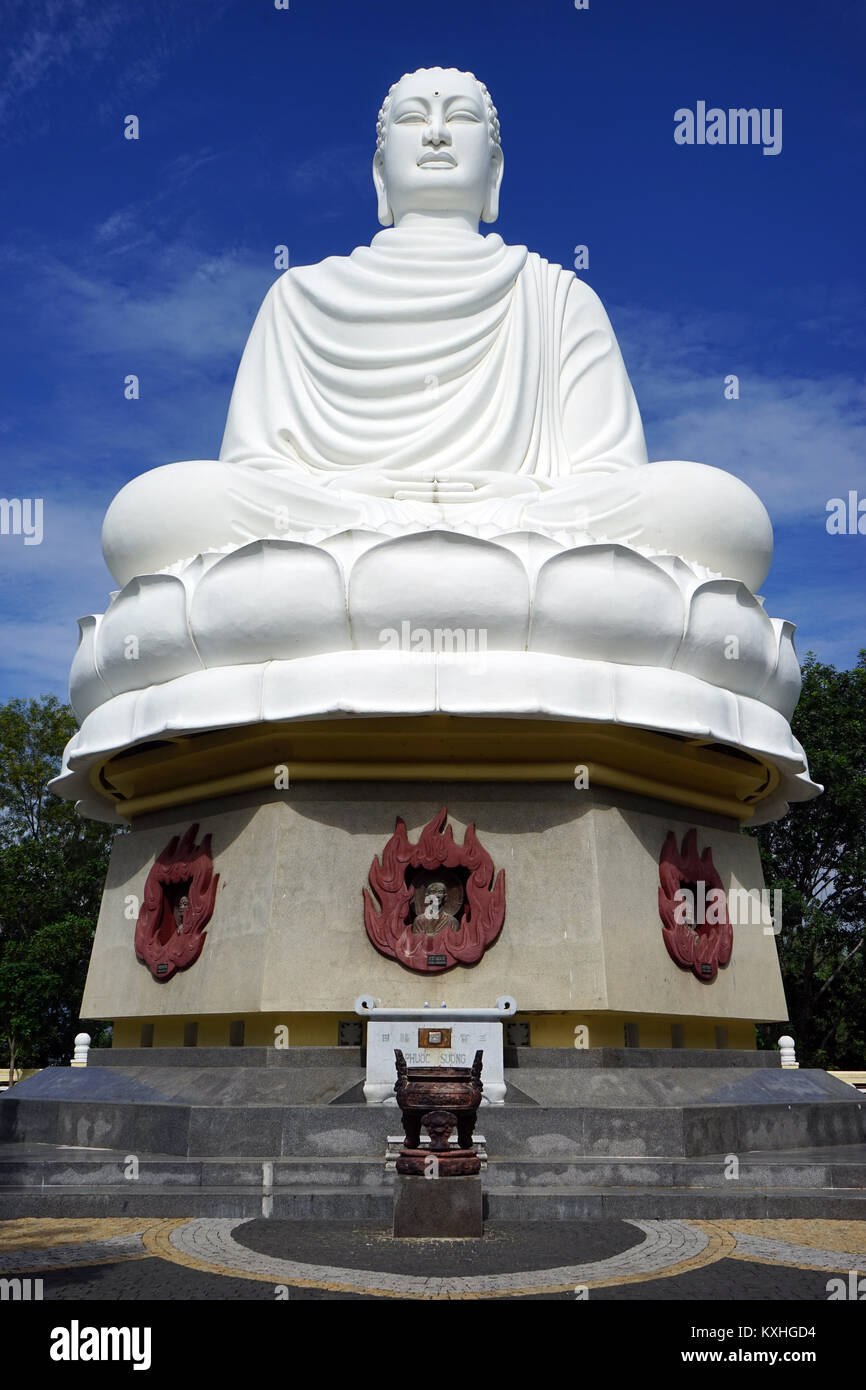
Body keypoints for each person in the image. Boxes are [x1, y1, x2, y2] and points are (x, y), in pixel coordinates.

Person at [101, 67, 772, 595]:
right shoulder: (298, 295)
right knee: (156, 513)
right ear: (378, 172)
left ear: (496, 169)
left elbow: (608, 473)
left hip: (523, 525)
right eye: (413, 120)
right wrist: (354, 499)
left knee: (713, 512)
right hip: (342, 523)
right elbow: (254, 470)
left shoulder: (557, 294)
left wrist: (523, 498)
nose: (437, 135)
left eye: (462, 120)